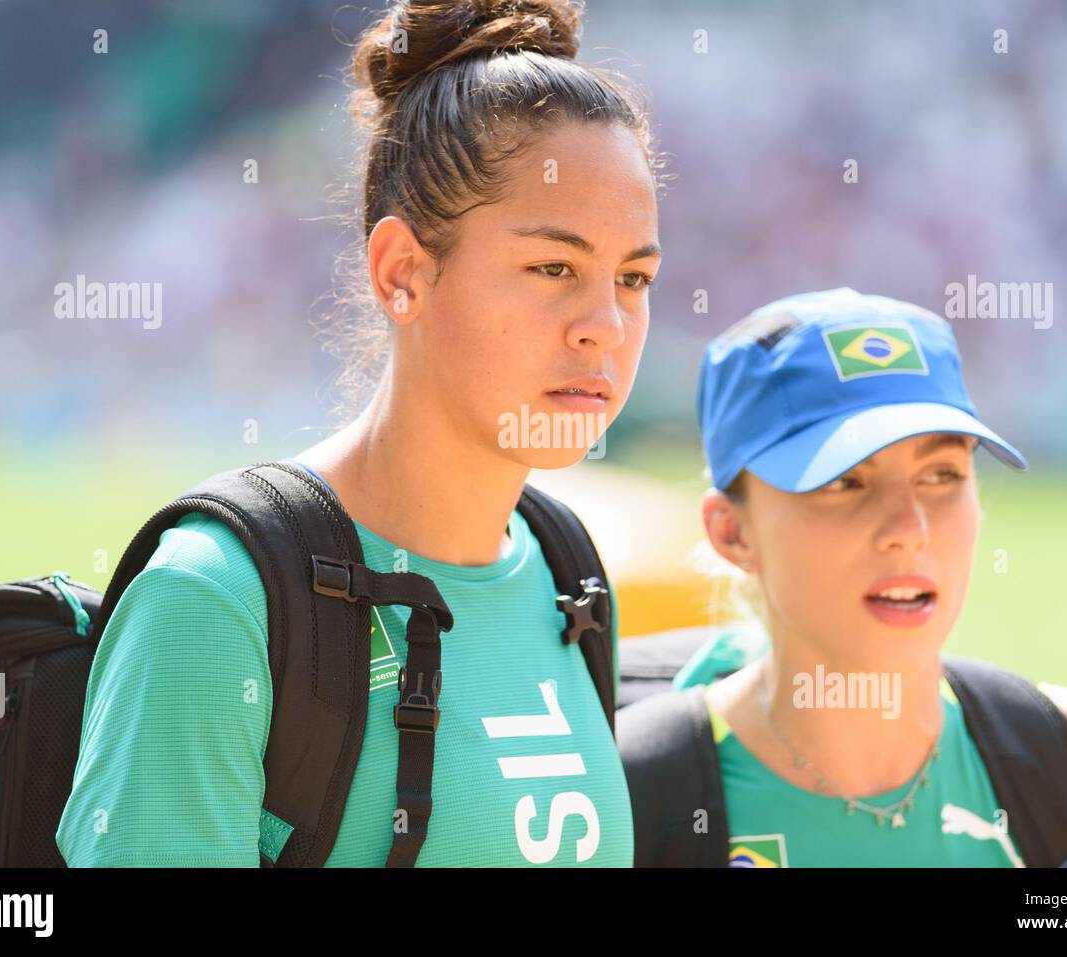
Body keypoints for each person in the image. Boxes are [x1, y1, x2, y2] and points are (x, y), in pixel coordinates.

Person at [56, 0, 664, 867]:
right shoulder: (215, 598)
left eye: (634, 277)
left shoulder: (565, 567)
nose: (605, 323)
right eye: (553, 267)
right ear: (402, 272)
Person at [623, 287, 1067, 867]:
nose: (910, 526)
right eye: (844, 481)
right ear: (732, 533)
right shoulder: (624, 802)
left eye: (942, 474)